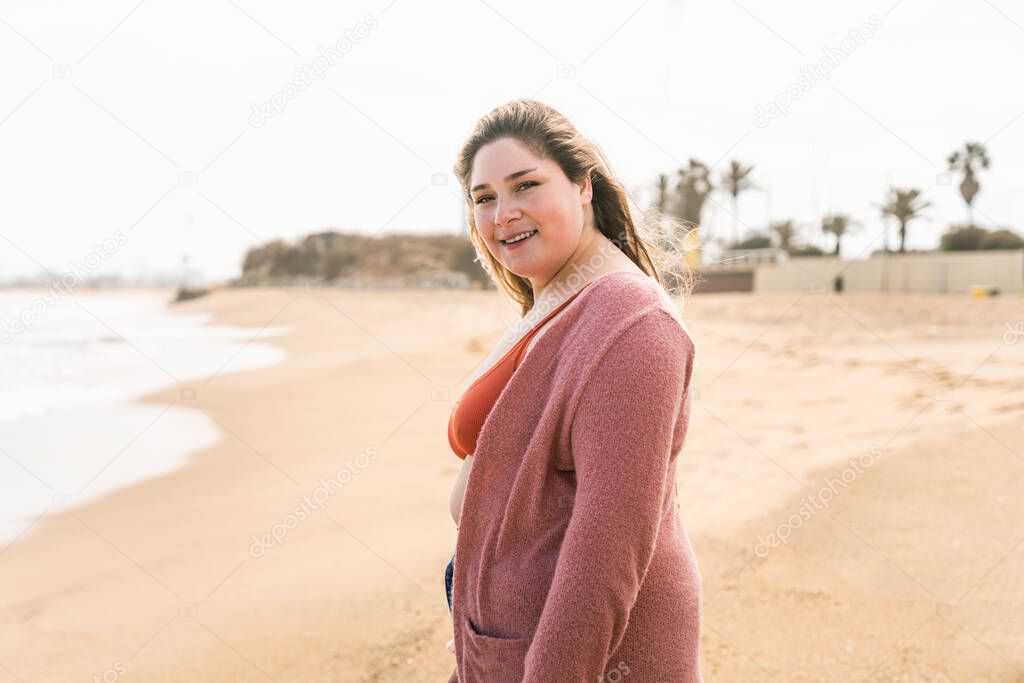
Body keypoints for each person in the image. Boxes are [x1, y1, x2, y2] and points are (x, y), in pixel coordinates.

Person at [444, 98, 703, 682]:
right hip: (508, 643)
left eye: (525, 185)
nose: (502, 213)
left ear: (584, 186)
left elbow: (607, 550)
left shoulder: (631, 323)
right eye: (483, 198)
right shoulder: (556, 298)